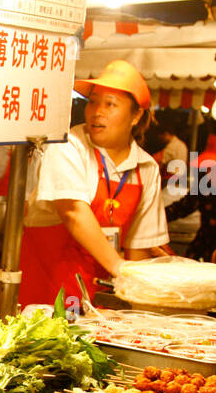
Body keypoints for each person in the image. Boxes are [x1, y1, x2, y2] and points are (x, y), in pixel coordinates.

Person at [18, 60, 170, 307]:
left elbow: (138, 247)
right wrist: (121, 268)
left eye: (110, 104)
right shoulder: (67, 146)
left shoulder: (146, 168)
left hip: (101, 294)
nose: (97, 111)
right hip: (51, 289)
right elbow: (73, 211)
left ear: (136, 116)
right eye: (93, 102)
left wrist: (138, 300)